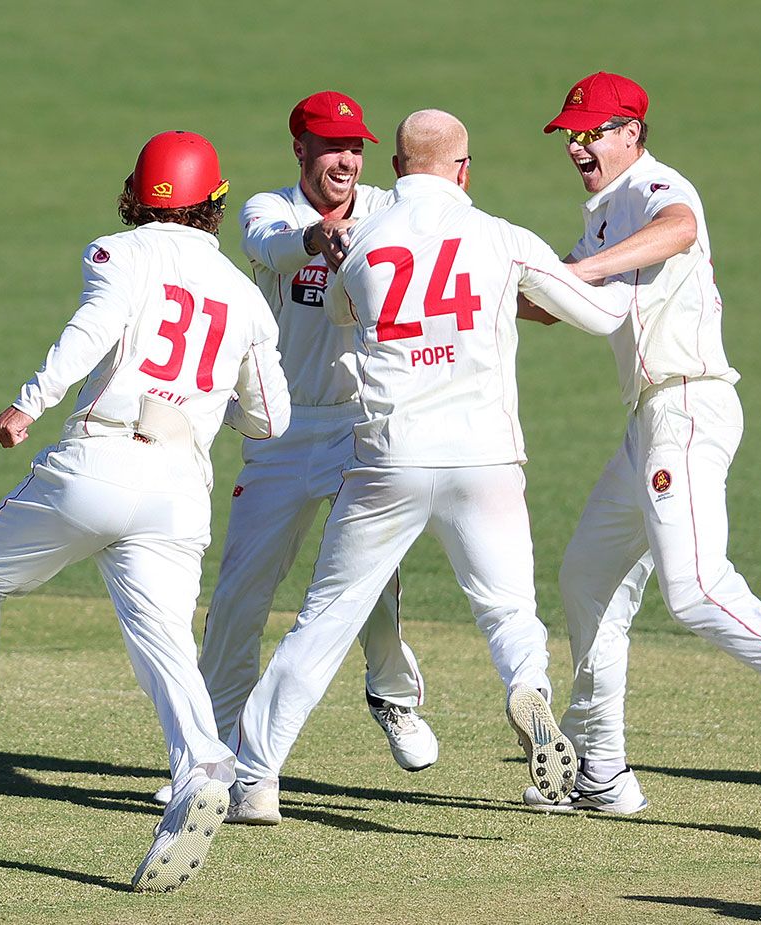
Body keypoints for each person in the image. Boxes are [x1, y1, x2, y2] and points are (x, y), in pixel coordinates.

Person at [0, 131, 291, 891]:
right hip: (176, 488)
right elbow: (270, 419)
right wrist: (202, 403)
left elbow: (92, 330)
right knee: (163, 638)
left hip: (98, 461)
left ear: (137, 195)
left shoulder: (116, 252)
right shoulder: (243, 294)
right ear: (215, 205)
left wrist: (27, 403)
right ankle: (202, 761)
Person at [225, 109, 632, 825]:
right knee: (510, 612)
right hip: (486, 458)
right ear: (464, 169)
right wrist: (633, 270)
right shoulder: (502, 236)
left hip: (389, 456)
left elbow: (346, 317)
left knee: (324, 620)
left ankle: (255, 778)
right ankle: (526, 685)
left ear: (397, 167)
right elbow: (597, 318)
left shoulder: (364, 241)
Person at [524, 72, 761, 815]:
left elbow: (683, 226)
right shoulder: (603, 212)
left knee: (694, 589)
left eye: (593, 131)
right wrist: (494, 285)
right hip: (648, 424)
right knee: (586, 579)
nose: (579, 144)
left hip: (688, 406)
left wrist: (581, 268)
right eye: (571, 132)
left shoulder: (654, 186)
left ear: (632, 131)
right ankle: (602, 767)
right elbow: (561, 303)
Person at [196, 91, 436, 779]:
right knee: (242, 592)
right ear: (299, 148)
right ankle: (209, 752)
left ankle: (391, 696)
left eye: (356, 147)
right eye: (332, 146)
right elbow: (268, 248)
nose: (347, 160)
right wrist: (316, 240)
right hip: (279, 428)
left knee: (368, 576)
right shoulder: (270, 210)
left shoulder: (392, 208)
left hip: (360, 425)